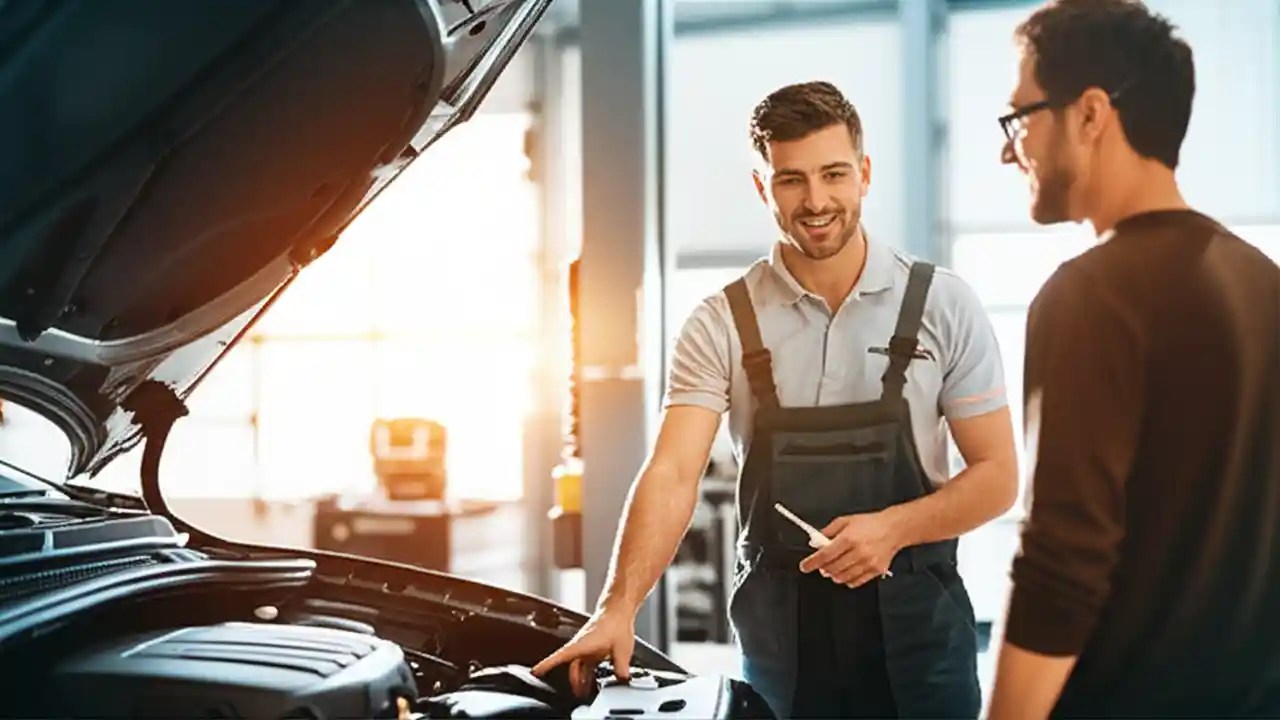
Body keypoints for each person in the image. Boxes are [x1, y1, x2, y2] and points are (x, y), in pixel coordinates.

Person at [534, 80, 1018, 719]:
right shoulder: (720, 322)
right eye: (791, 180)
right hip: (782, 645)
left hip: (921, 637)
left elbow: (998, 477)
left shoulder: (943, 306)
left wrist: (893, 529)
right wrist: (616, 606)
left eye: (834, 174)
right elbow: (674, 471)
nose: (816, 201)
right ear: (764, 187)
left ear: (865, 174)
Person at [987, 1, 1280, 717]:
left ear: (1090, 115)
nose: (1007, 150)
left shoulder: (1089, 297)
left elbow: (1060, 566)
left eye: (1019, 118)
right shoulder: (1266, 284)